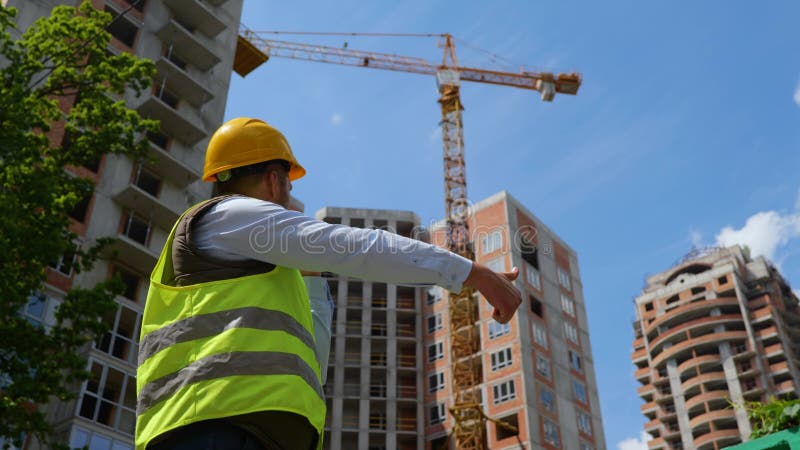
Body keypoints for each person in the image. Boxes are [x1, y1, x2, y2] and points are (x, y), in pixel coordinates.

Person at [135, 118, 522, 450]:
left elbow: (311, 366)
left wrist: (313, 280)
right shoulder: (228, 216)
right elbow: (356, 247)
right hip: (211, 429)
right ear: (274, 180)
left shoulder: (257, 267)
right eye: (288, 185)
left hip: (251, 432)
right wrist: (472, 273)